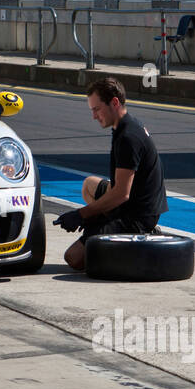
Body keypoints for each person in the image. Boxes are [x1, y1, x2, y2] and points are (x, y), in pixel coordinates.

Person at [55, 77, 167, 270]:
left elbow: (121, 194)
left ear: (114, 103)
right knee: (89, 185)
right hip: (131, 199)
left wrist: (81, 214)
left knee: (73, 258)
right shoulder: (124, 125)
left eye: (96, 109)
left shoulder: (128, 138)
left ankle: (145, 236)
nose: (94, 116)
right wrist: (94, 216)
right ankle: (107, 226)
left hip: (138, 214)